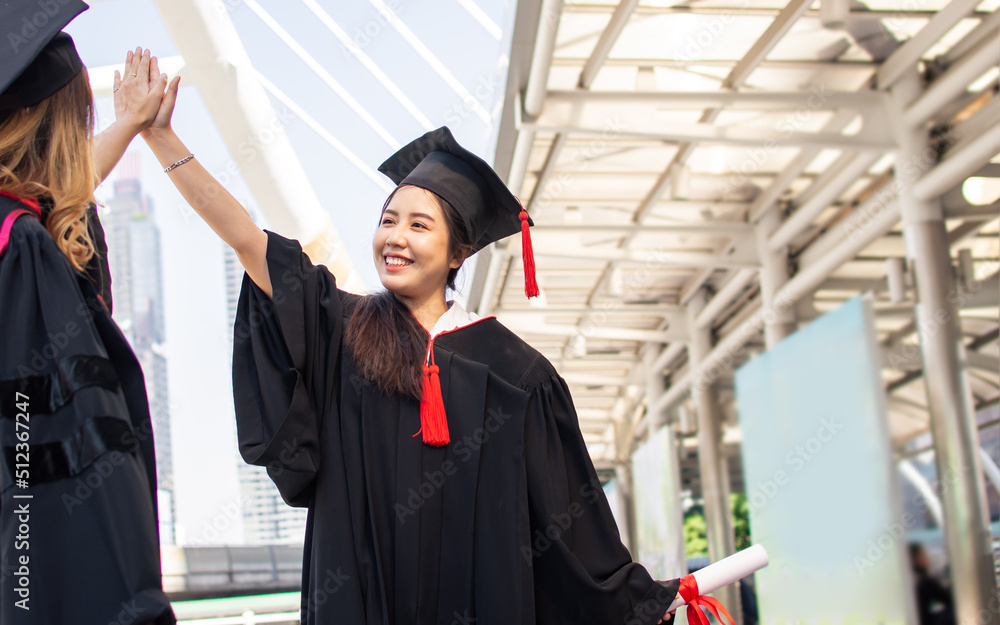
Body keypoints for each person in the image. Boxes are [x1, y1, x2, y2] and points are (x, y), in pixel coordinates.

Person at [137, 54, 682, 622]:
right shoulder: (339, 331)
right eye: (388, 219)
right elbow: (250, 242)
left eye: (419, 225)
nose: (394, 237)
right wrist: (162, 138)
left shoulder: (519, 377)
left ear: (459, 253)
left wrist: (637, 602)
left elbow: (570, 528)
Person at [0, 2, 175, 623]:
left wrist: (128, 123)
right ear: (54, 126)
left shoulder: (18, 234)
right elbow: (46, 447)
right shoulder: (22, 250)